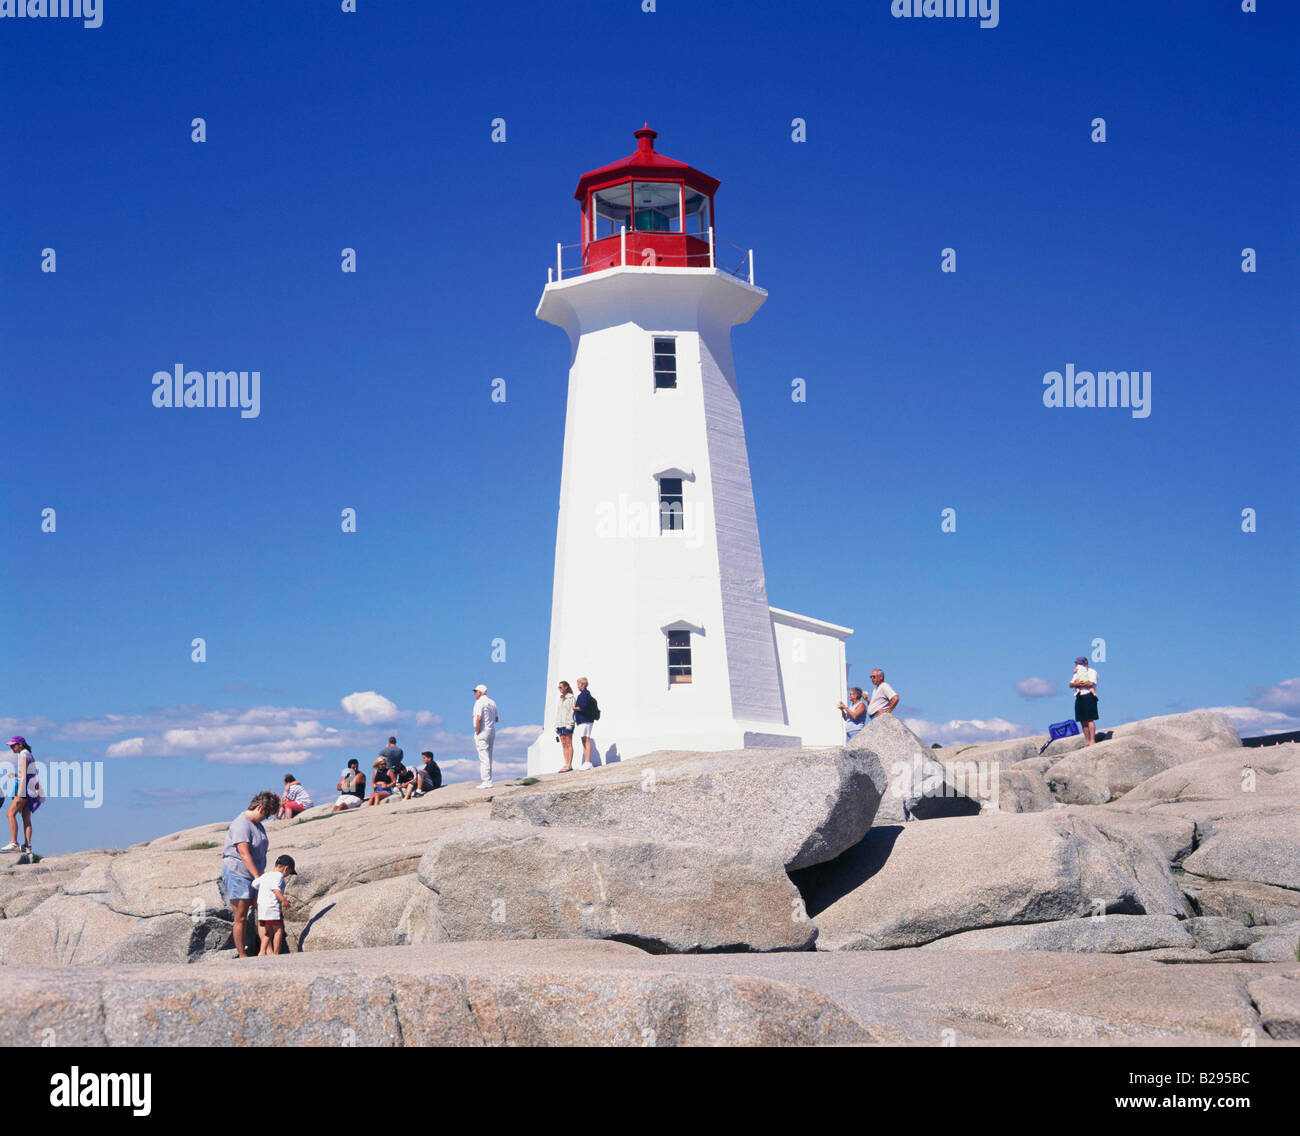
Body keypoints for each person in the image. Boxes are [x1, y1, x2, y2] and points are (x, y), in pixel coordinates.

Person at [221, 791, 281, 958]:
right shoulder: (241, 824)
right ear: (260, 807)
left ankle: (267, 950)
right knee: (241, 916)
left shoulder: (257, 825)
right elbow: (243, 853)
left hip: (255, 875)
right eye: (267, 814)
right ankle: (242, 954)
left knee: (263, 911)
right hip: (238, 873)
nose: (267, 817)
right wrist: (258, 877)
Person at [253, 854, 296, 956]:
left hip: (262, 908)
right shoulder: (279, 875)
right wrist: (283, 900)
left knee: (268, 932)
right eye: (289, 873)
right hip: (272, 906)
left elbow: (254, 884)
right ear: (286, 868)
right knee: (278, 930)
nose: (287, 875)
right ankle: (276, 953)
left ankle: (262, 952)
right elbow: (275, 889)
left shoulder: (265, 875)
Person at [2, 737, 38, 854]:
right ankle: (28, 846)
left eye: (13, 745)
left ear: (20, 745)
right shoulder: (29, 754)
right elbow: (28, 773)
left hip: (24, 789)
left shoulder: (23, 754)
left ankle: (14, 842)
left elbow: (23, 777)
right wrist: (15, 774)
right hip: (32, 788)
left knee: (10, 814)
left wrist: (20, 793)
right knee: (26, 818)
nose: (12, 748)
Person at [1070, 654, 1100, 745]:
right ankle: (1087, 741)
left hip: (1089, 695)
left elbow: (1091, 683)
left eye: (1079, 664)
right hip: (1079, 696)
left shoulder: (1092, 671)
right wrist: (1078, 684)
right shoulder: (1077, 673)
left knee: (1090, 719)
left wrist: (1079, 683)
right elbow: (1071, 684)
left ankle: (1092, 740)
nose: (1077, 665)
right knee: (1082, 720)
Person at [473, 684, 498, 788]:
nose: (475, 694)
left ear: (480, 692)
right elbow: (497, 719)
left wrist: (477, 731)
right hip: (491, 730)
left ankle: (486, 781)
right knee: (489, 756)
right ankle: (489, 779)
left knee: (483, 757)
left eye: (476, 691)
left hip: (483, 730)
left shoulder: (479, 702)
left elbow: (479, 718)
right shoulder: (492, 702)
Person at [573, 677, 597, 770]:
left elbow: (583, 707)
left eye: (578, 684)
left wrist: (575, 708)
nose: (577, 686)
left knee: (586, 740)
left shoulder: (584, 694)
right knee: (584, 740)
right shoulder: (585, 694)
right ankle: (587, 762)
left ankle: (588, 762)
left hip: (584, 720)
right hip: (585, 720)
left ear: (582, 685)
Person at [555, 680, 577, 772]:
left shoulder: (571, 698)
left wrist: (570, 724)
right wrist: (556, 725)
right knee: (563, 744)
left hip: (568, 723)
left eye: (560, 687)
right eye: (558, 687)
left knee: (569, 743)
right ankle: (566, 763)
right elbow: (558, 712)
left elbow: (572, 712)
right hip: (560, 724)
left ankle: (569, 764)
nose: (559, 689)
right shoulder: (560, 698)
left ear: (566, 687)